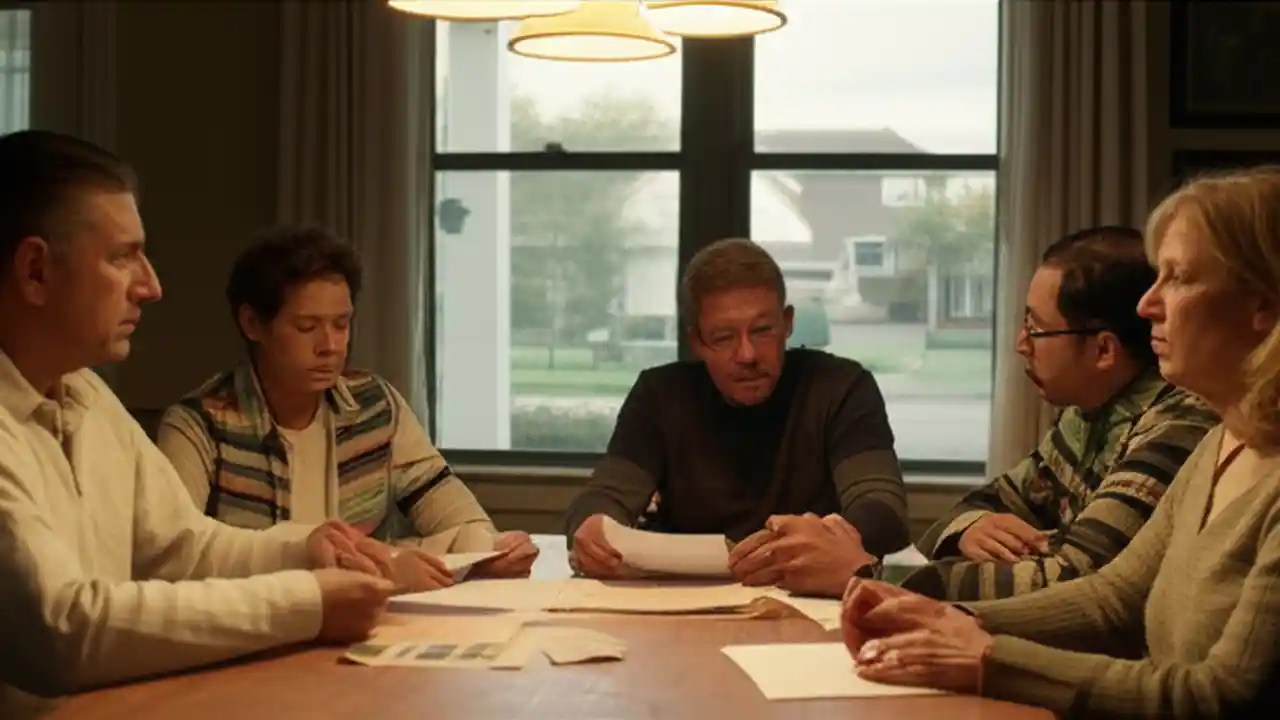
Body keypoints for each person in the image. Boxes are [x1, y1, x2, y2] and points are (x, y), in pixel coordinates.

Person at [841, 167, 1280, 717]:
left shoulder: (1204, 436)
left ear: (1262, 304)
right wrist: (943, 617)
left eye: (1179, 277)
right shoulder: (1225, 440)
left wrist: (986, 656)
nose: (1148, 306)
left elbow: (1220, 695)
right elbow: (1112, 599)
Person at [0, 131, 404, 715]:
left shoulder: (84, 394)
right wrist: (308, 602)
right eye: (122, 256)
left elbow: (186, 549)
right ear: (35, 270)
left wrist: (303, 550)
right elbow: (64, 630)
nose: (151, 286)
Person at [734, 226, 1218, 600]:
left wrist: (866, 575)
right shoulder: (1086, 415)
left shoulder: (1177, 425)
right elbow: (955, 518)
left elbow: (1071, 581)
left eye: (1037, 329)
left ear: (1104, 351)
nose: (1020, 344)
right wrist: (973, 528)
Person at [157, 227, 537, 579]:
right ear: (252, 324)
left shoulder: (373, 405)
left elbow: (451, 512)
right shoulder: (198, 426)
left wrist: (492, 548)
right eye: (307, 327)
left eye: (342, 324)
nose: (331, 345)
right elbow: (172, 560)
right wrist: (385, 566)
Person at [566, 237, 909, 579]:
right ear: (697, 342)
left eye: (762, 331)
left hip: (810, 593)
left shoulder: (840, 388)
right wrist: (593, 529)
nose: (746, 355)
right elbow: (603, 498)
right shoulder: (661, 396)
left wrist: (815, 544)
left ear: (787, 323)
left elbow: (882, 509)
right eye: (724, 338)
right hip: (684, 601)